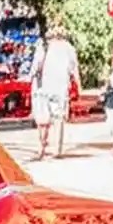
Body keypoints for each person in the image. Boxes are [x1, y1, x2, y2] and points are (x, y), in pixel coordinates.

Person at [30, 18, 81, 159]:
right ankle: (57, 150)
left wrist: (30, 79)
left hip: (42, 88)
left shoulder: (43, 45)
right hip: (60, 88)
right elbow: (74, 69)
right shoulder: (69, 48)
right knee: (58, 119)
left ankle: (42, 148)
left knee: (42, 120)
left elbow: (36, 67)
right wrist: (79, 86)